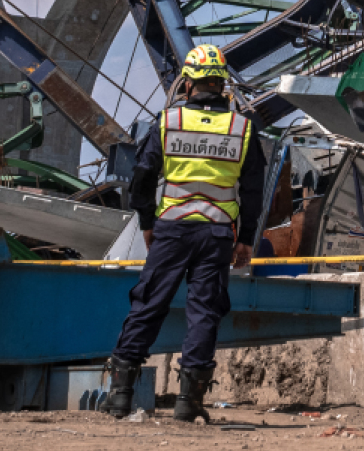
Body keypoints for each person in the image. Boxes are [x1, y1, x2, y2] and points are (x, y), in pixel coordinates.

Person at [105, 44, 266, 422]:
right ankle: (189, 402)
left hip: (171, 231)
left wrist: (147, 224)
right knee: (204, 311)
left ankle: (120, 397)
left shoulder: (168, 122)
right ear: (223, 86)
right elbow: (253, 191)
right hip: (216, 234)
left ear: (189, 84)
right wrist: (245, 239)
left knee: (148, 304)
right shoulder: (242, 129)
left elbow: (142, 179)